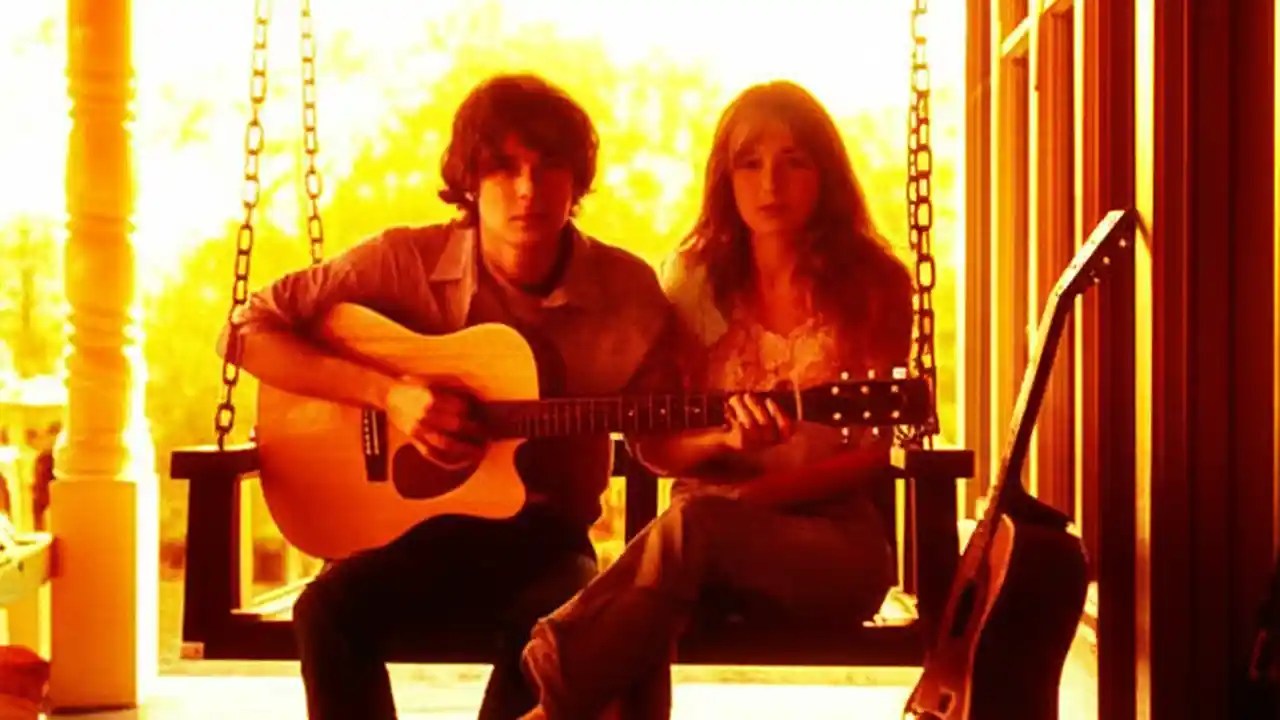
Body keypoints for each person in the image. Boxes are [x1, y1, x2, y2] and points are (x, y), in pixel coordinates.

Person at [217, 73, 679, 720]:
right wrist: (389, 393)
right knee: (324, 608)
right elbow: (242, 334)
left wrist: (728, 435)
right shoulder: (402, 263)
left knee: (556, 634)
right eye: (504, 168)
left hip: (547, 543)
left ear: (576, 181)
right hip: (412, 537)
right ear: (469, 180)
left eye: (549, 167)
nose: (526, 189)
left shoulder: (626, 292)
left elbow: (664, 435)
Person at [519, 79, 916, 719]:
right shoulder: (692, 281)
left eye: (794, 161)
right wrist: (724, 442)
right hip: (693, 549)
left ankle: (548, 694)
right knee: (648, 602)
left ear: (826, 172)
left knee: (679, 545)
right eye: (750, 163)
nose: (771, 184)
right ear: (725, 179)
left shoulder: (873, 285)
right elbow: (656, 445)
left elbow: (878, 454)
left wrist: (747, 500)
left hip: (831, 545)